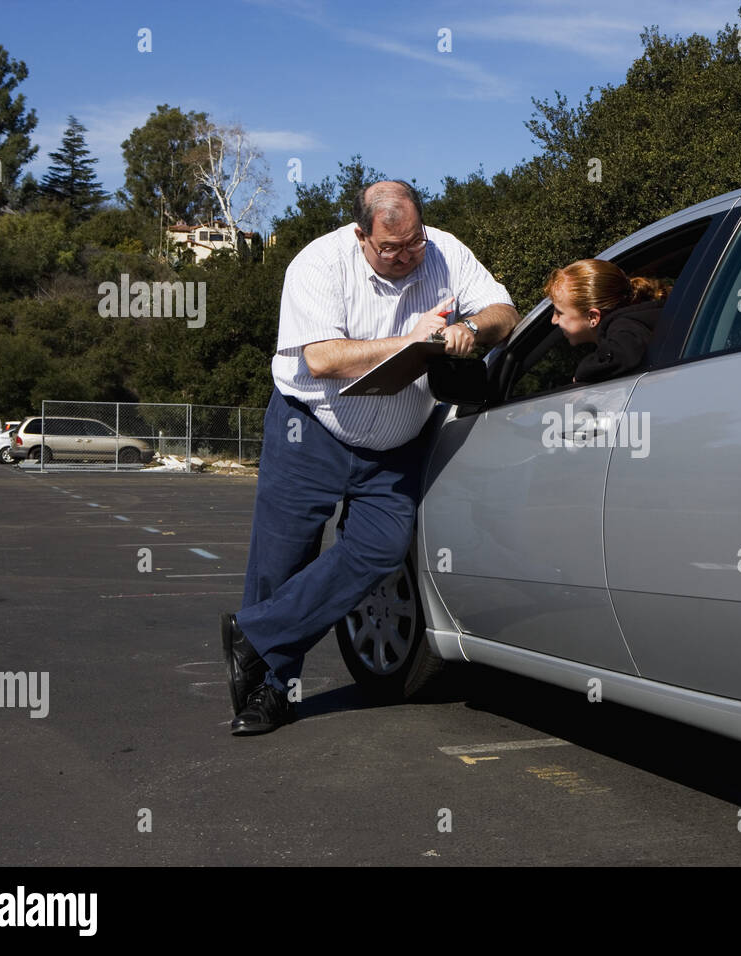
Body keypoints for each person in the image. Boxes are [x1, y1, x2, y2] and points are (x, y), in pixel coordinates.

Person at [222, 180, 520, 735]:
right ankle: (270, 692)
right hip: (310, 427)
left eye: (414, 244)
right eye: (390, 248)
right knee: (283, 558)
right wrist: (410, 343)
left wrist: (470, 328)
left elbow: (506, 311)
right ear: (362, 235)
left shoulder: (446, 252)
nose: (406, 257)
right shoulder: (317, 263)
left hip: (398, 439)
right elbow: (322, 358)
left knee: (382, 547)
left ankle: (255, 632)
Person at [545, 259, 671, 383]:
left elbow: (620, 358)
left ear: (593, 317)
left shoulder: (625, 327)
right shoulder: (639, 319)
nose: (553, 320)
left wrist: (582, 374)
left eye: (559, 313)